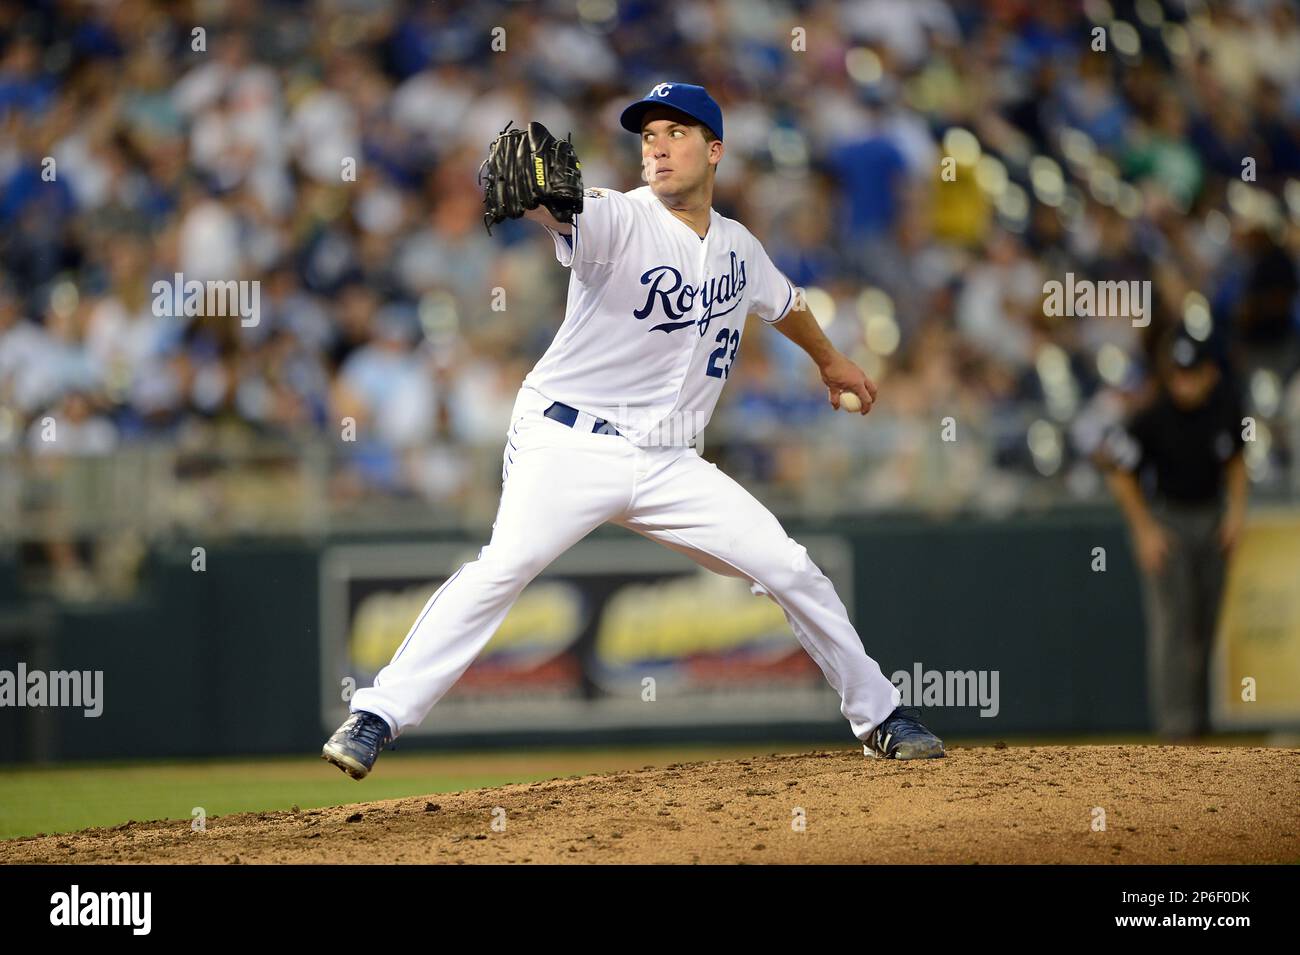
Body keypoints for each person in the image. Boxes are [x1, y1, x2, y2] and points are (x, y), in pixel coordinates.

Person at [322, 82, 944, 779]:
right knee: (504, 566)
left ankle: (881, 715)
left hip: (669, 461)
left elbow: (784, 302)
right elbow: (569, 211)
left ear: (715, 150)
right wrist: (543, 200)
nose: (657, 146)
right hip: (568, 441)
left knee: (790, 567)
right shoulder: (617, 219)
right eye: (647, 136)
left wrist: (831, 360)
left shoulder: (739, 247)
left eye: (675, 133)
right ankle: (376, 714)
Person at [1102, 333, 1248, 741]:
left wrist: (1236, 513)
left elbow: (1237, 461)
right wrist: (1144, 529)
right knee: (1172, 628)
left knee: (1205, 625)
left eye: (1192, 374)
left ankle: (1201, 726)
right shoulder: (1153, 416)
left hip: (1212, 518)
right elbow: (1120, 472)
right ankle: (1176, 730)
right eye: (1178, 375)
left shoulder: (1225, 408)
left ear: (1210, 374)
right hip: (1170, 521)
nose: (1184, 384)